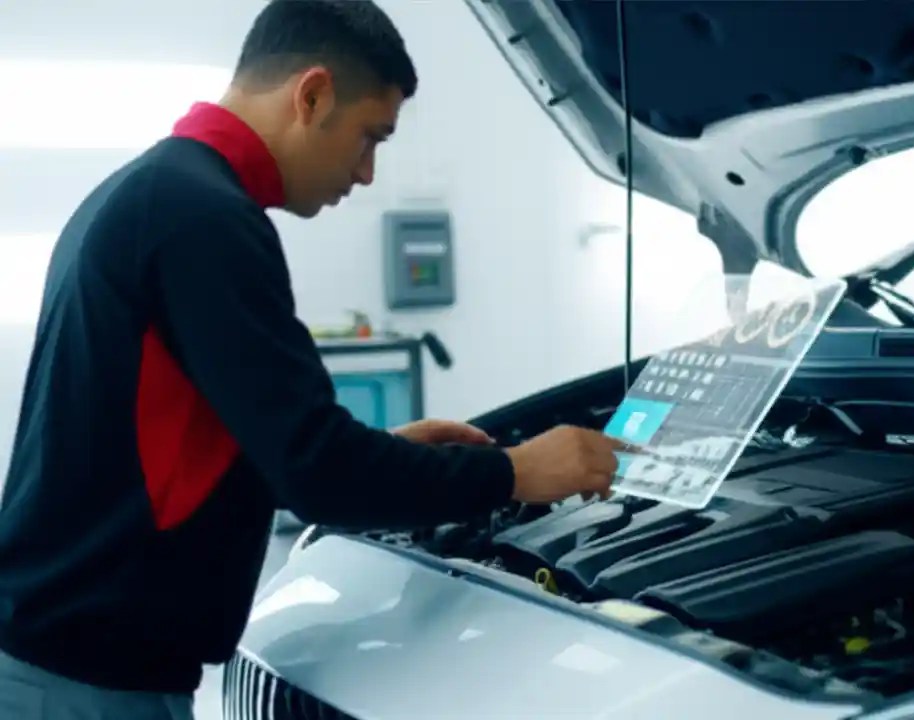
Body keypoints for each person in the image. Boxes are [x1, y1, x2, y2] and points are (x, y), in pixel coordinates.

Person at [0, 1, 624, 717]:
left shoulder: (152, 193)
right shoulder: (203, 219)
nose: (365, 173)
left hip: (71, 665)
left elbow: (206, 450)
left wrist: (385, 453)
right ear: (313, 94)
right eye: (370, 137)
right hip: (82, 687)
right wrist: (518, 472)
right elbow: (316, 472)